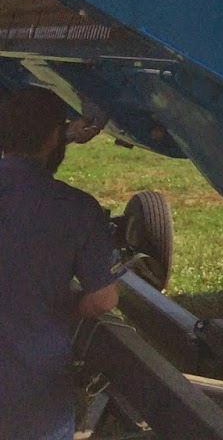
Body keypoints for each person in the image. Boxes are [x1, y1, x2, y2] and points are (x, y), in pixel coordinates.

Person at [0, 87, 117, 440]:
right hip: (32, 392)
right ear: (52, 137)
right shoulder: (78, 208)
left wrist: (59, 133)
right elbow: (103, 299)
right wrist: (67, 306)